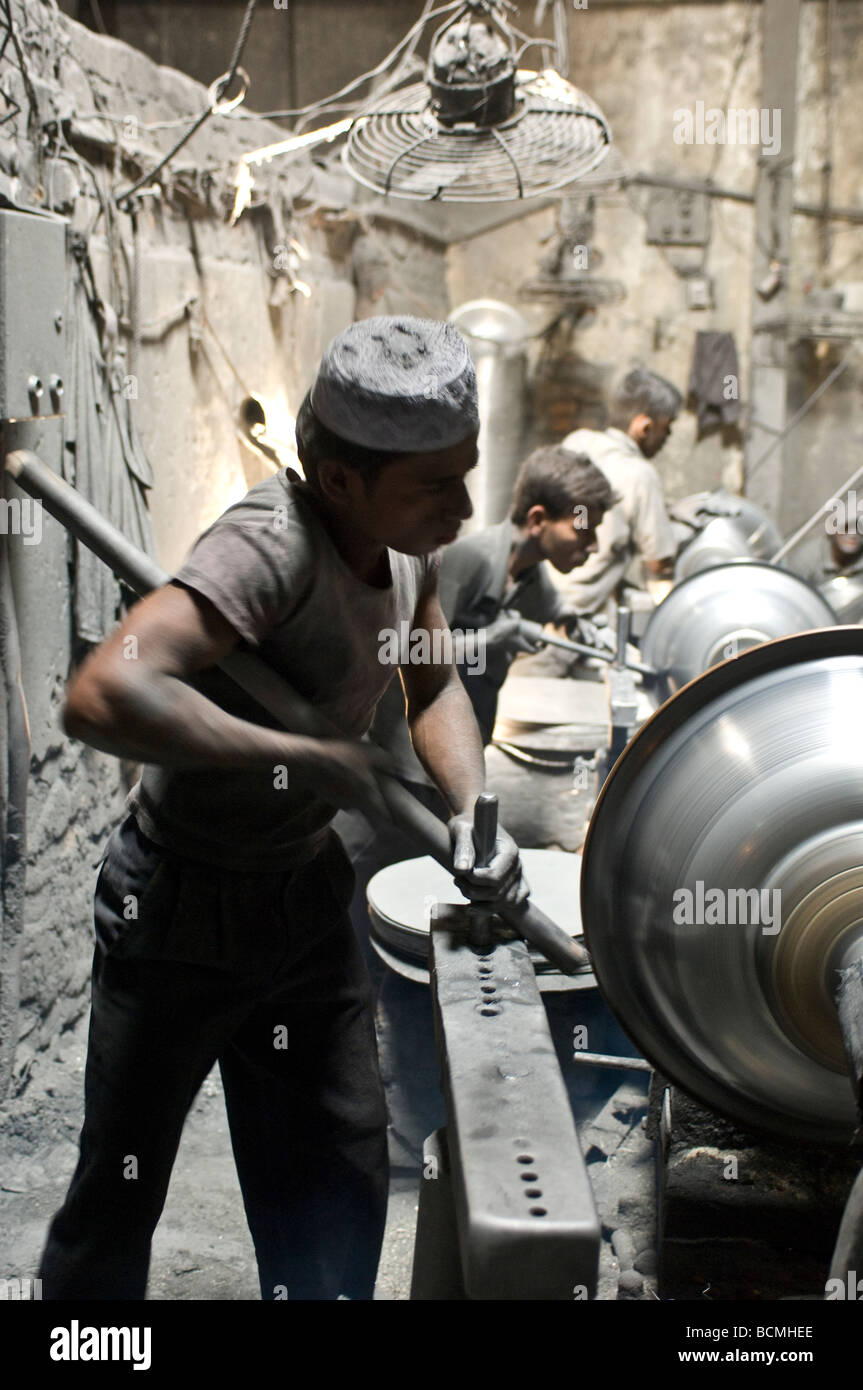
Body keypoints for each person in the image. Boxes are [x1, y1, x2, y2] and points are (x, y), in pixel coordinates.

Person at [37, 315, 527, 1302]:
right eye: (436, 484)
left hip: (301, 893)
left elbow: (428, 681)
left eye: (463, 474)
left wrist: (472, 801)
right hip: (178, 902)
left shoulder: (408, 544)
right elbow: (103, 693)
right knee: (120, 1186)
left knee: (336, 1167)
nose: (462, 505)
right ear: (340, 478)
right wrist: (302, 756)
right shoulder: (267, 548)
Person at [334, 445, 613, 971]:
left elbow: (552, 608)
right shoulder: (472, 557)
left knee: (420, 865)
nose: (593, 546)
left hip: (455, 756)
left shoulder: (531, 577)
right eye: (584, 530)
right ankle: (360, 971)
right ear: (538, 520)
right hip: (403, 753)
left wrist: (576, 621)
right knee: (363, 869)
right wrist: (494, 637)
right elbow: (411, 655)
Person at [550, 366, 682, 618]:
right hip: (574, 616)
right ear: (644, 426)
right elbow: (659, 567)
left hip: (538, 600)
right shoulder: (641, 474)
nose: (668, 435)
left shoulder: (576, 441)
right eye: (667, 426)